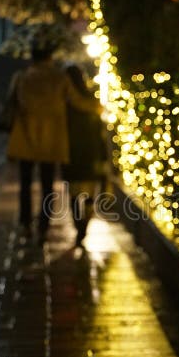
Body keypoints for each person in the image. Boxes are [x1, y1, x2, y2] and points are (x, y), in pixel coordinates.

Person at [6, 40, 101, 245]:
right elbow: (77, 101)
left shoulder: (21, 78)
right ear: (50, 56)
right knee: (47, 187)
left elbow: (12, 104)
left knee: (25, 184)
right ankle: (43, 227)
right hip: (51, 140)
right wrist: (98, 107)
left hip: (25, 138)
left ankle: (25, 225)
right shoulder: (60, 78)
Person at [63, 63, 108, 247]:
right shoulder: (93, 101)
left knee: (74, 194)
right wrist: (104, 156)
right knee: (90, 193)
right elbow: (100, 132)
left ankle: (78, 226)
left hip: (71, 154)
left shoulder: (65, 104)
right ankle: (84, 226)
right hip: (92, 153)